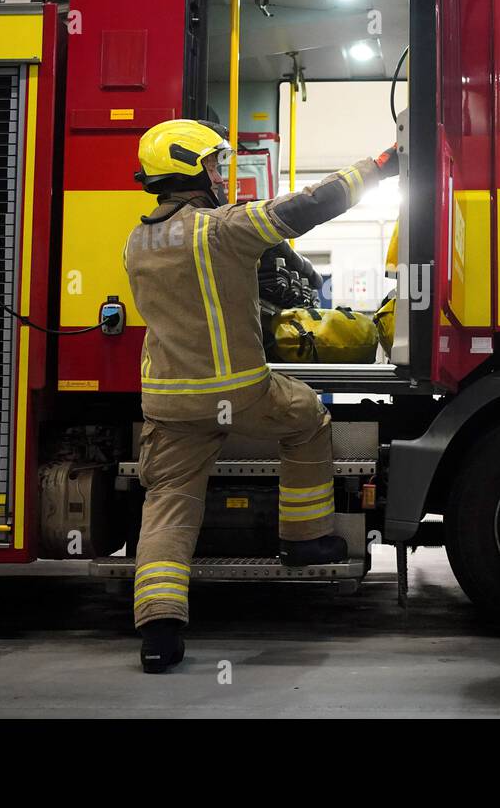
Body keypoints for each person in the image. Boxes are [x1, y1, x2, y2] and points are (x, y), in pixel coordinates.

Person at [123, 118, 399, 673]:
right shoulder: (221, 228)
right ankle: (302, 539)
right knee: (308, 418)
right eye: (214, 164)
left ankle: (159, 633)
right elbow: (306, 207)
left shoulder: (138, 238)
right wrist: (381, 165)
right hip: (237, 390)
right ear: (190, 169)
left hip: (167, 402)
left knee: (169, 508)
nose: (221, 175)